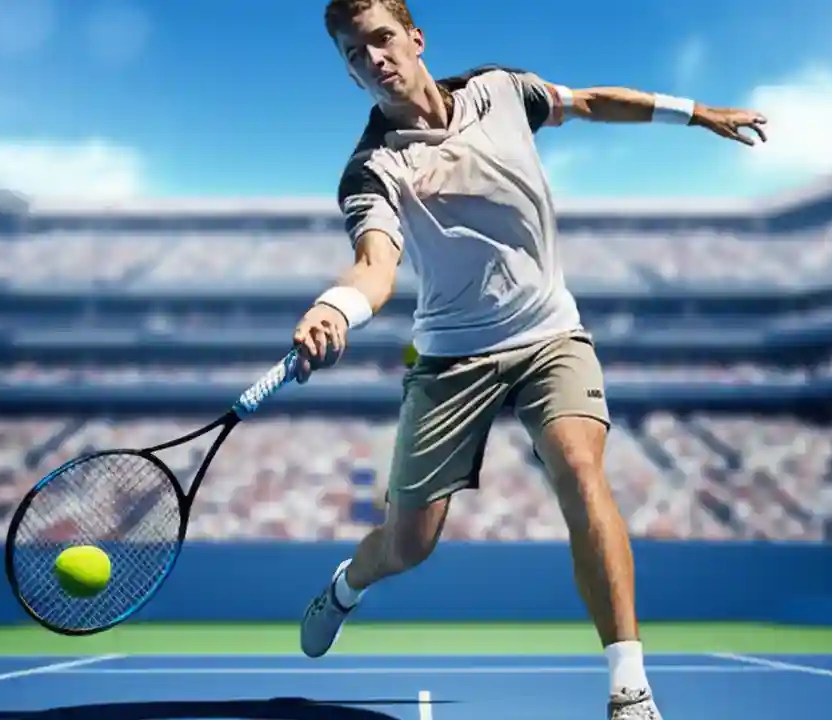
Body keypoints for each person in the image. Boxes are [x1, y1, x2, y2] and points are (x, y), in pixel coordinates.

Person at [291, 1, 768, 718]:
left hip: (550, 336)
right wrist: (336, 307)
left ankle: (629, 689)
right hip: (452, 359)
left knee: (579, 468)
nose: (373, 60)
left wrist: (694, 112)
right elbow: (374, 265)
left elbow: (590, 102)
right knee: (407, 546)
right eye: (354, 55)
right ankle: (344, 588)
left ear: (416, 38)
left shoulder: (501, 91)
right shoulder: (372, 169)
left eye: (381, 40)